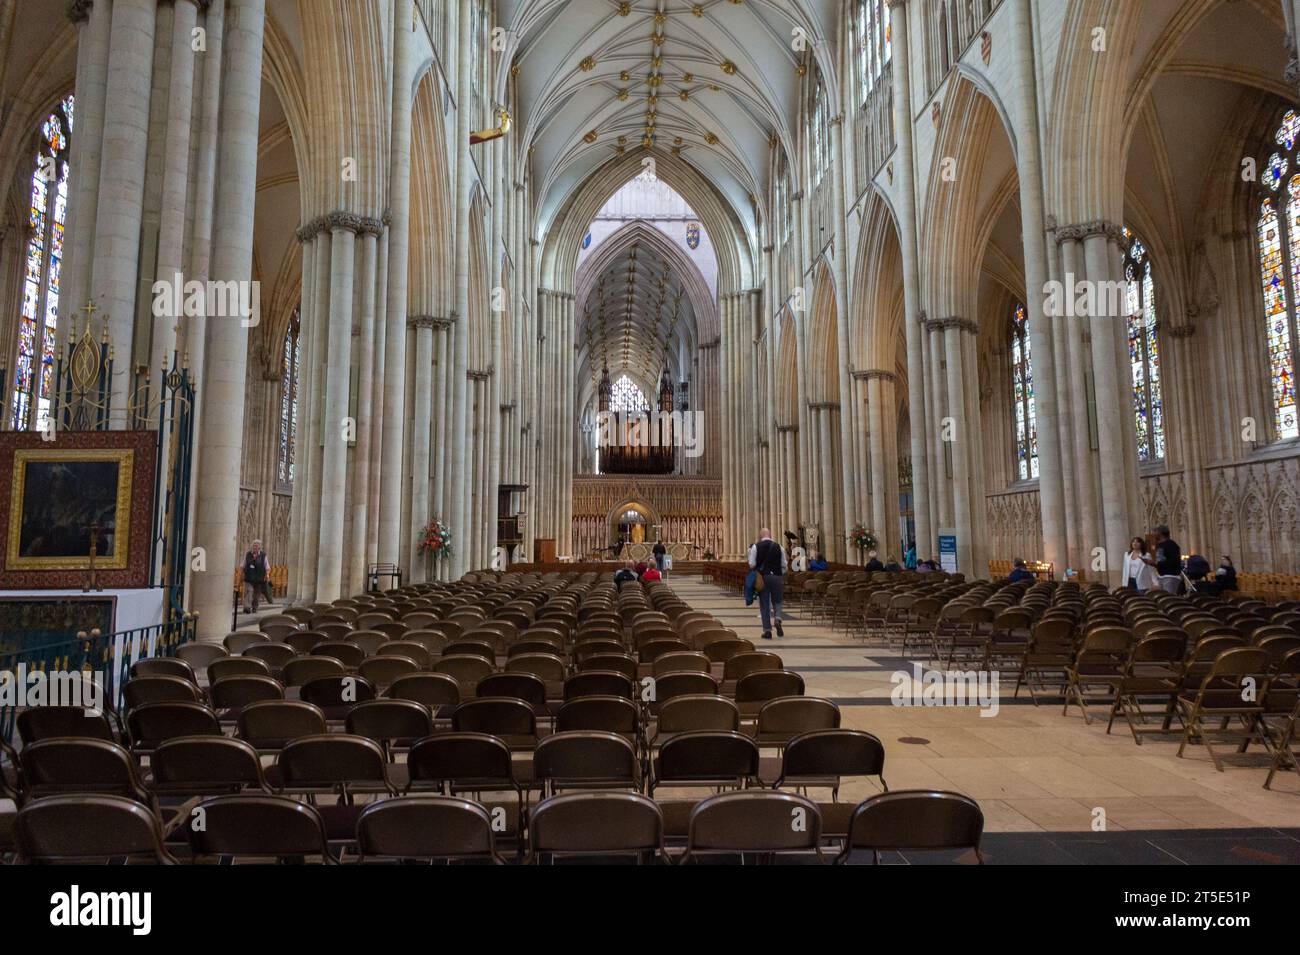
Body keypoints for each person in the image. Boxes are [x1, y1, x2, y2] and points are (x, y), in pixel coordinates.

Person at [748, 527, 787, 640]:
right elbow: (784, 564)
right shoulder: (779, 546)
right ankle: (778, 618)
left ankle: (767, 631)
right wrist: (779, 573)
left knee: (764, 603)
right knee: (778, 600)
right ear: (770, 535)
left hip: (763, 577)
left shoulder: (756, 546)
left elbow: (751, 564)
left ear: (761, 536)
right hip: (777, 576)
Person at [1144, 524, 1182, 594]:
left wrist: (1157, 563)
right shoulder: (1159, 545)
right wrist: (1153, 564)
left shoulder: (1171, 544)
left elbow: (1174, 560)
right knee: (1162, 598)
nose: (1153, 534)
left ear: (1160, 533)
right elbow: (1161, 561)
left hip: (1170, 576)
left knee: (1168, 599)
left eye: (1155, 532)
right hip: (1162, 576)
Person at [242, 540, 271, 613]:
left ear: (259, 547)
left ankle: (255, 607)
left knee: (256, 595)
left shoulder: (263, 555)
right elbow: (243, 565)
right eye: (254, 545)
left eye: (256, 546)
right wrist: (242, 574)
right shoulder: (248, 554)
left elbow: (267, 567)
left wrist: (267, 575)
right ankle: (247, 607)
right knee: (249, 591)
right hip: (249, 577)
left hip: (259, 578)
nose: (255, 547)